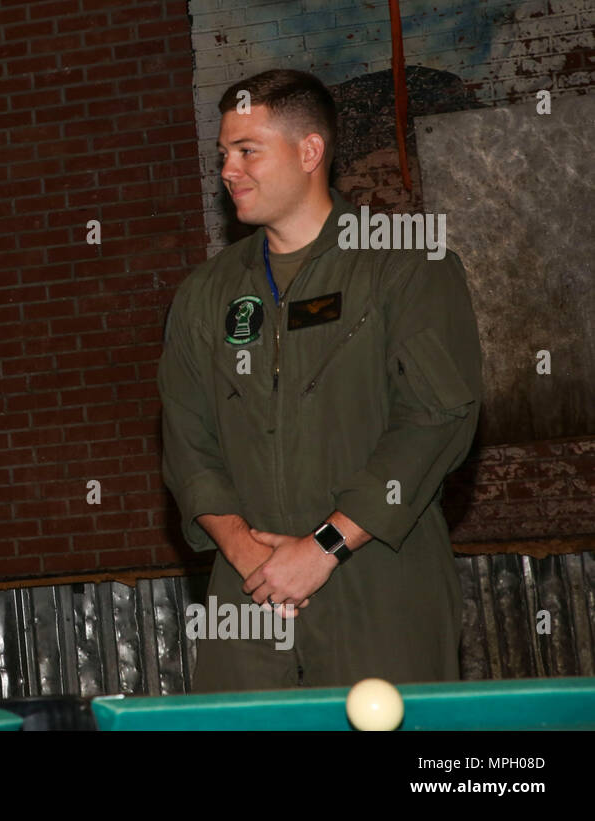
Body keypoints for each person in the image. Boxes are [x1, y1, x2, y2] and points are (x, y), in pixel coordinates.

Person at [158, 69, 482, 692]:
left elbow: (435, 420)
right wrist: (246, 552)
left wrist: (323, 547)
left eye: (248, 150)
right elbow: (186, 439)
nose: (228, 170)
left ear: (310, 152)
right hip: (247, 593)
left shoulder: (406, 265)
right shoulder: (205, 295)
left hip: (381, 580)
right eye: (223, 153)